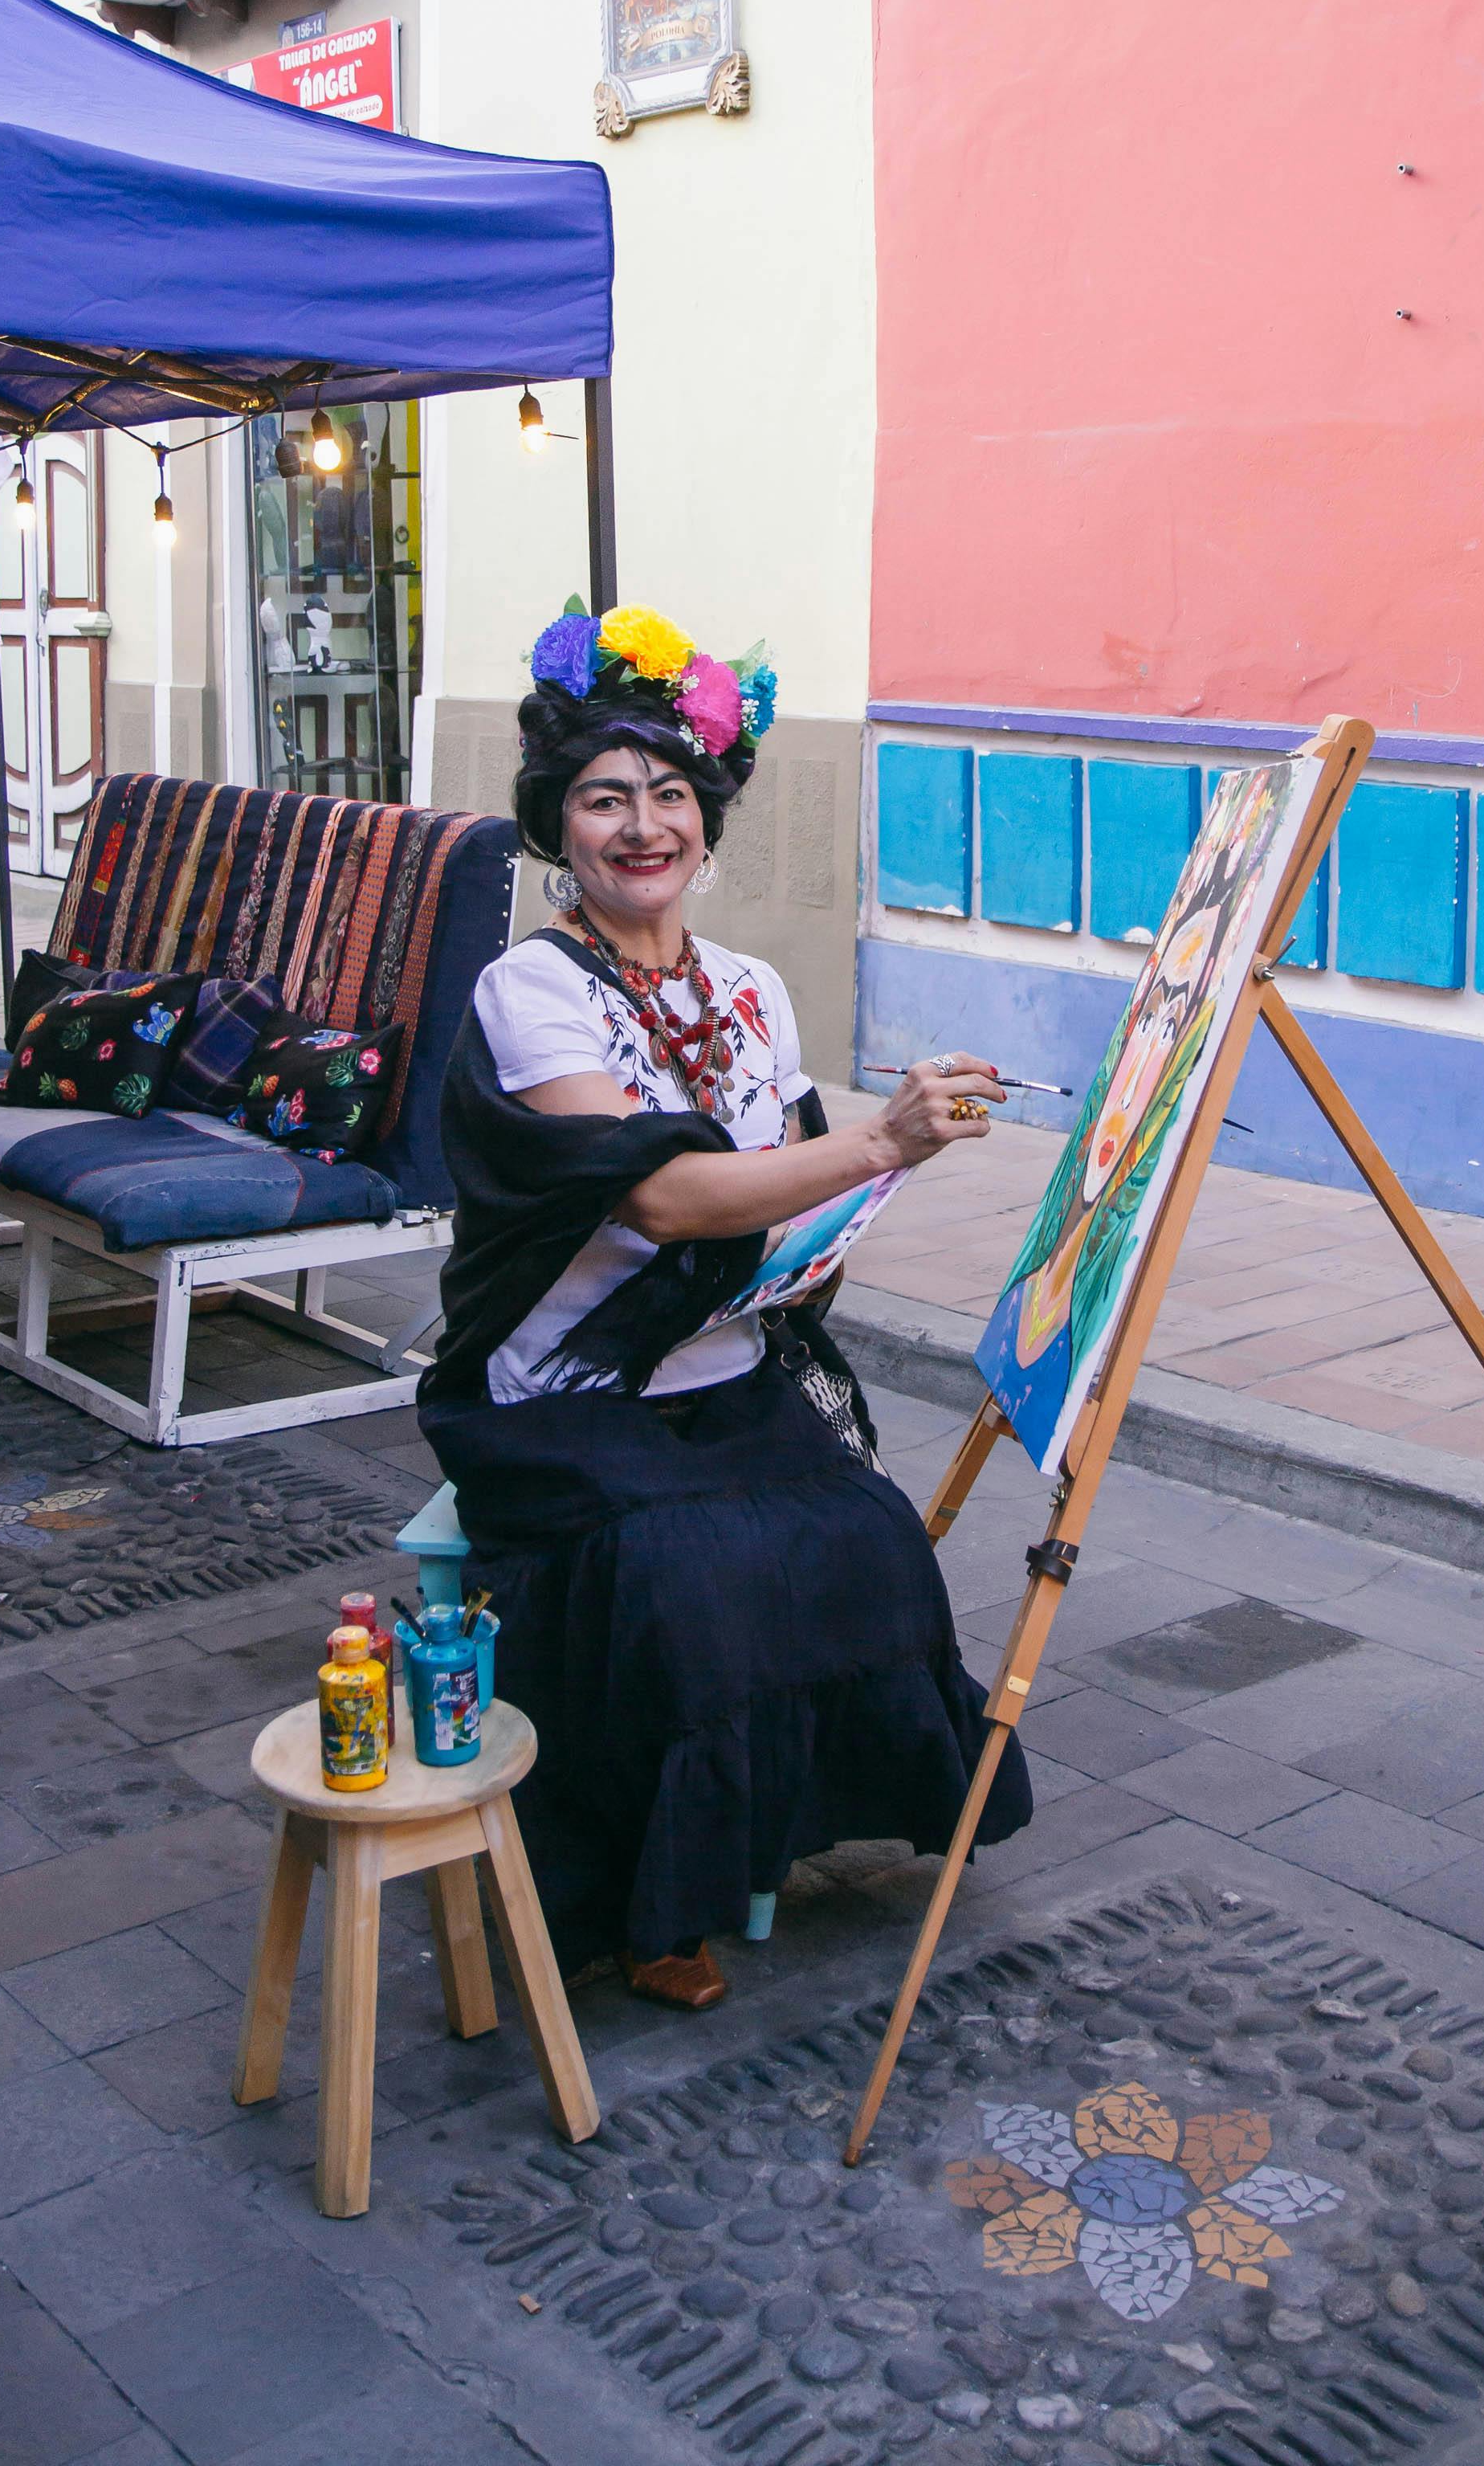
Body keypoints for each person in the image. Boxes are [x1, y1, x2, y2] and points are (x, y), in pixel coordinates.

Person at [419, 602, 1033, 2009]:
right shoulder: (532, 990)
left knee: (867, 1535)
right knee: (682, 1586)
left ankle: (780, 1828)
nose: (642, 827)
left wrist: (829, 1228)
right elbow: (661, 1195)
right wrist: (879, 1145)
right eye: (603, 798)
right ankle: (649, 1905)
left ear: (708, 820)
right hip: (567, 1400)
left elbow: (778, 1193)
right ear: (555, 826)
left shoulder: (752, 994)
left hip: (721, 1375)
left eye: (670, 797)